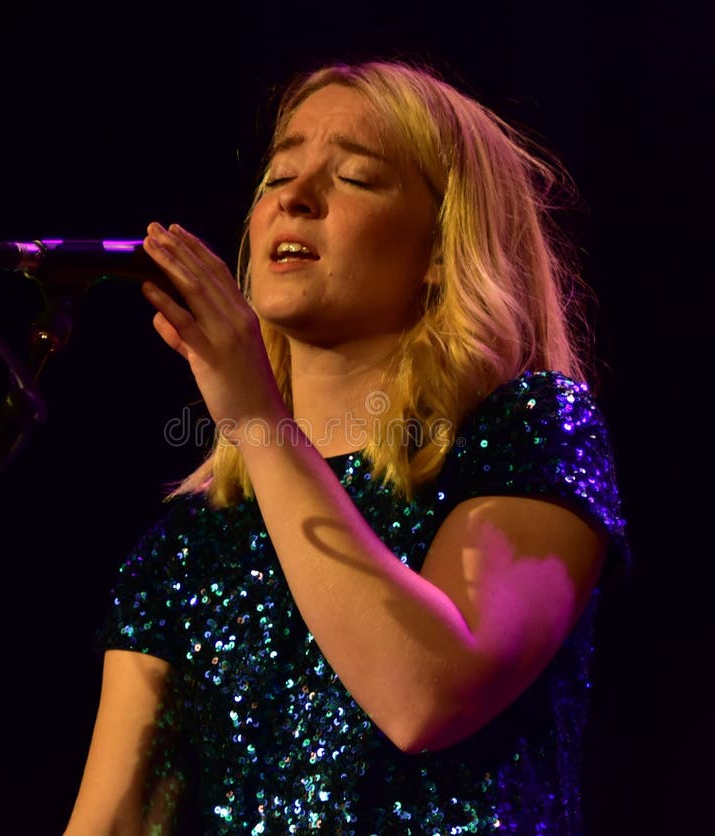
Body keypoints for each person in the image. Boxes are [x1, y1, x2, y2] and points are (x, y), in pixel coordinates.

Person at [63, 58, 629, 835]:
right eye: (277, 174)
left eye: (358, 178)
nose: (292, 196)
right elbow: (114, 822)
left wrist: (257, 419)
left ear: (440, 248)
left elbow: (423, 695)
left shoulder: (528, 435)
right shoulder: (189, 544)